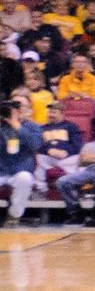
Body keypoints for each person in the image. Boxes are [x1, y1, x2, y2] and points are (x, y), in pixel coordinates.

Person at [0, 93, 44, 225]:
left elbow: (36, 144)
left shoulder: (32, 127)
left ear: (28, 109)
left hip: (20, 171)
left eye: (19, 106)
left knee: (25, 178)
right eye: (13, 105)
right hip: (1, 171)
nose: (16, 109)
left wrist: (17, 125)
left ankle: (14, 216)